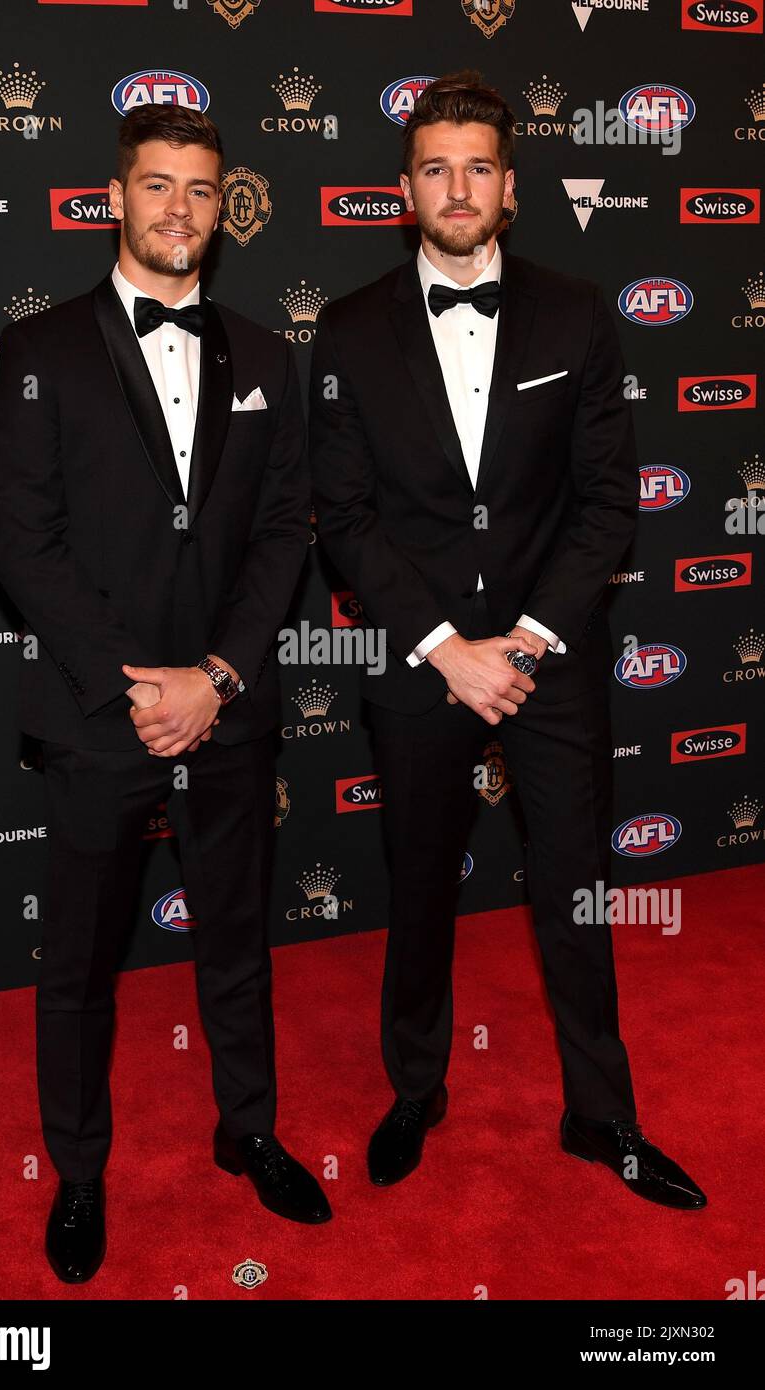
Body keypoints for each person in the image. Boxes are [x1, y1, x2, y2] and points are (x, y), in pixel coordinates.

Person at [308, 71, 706, 1211]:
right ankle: (415, 1088)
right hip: (418, 661)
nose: (457, 188)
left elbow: (608, 503)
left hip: (549, 660)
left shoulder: (575, 312)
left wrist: (523, 643)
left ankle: (602, 1116)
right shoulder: (347, 329)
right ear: (404, 191)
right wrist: (447, 647)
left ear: (510, 187)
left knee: (577, 892)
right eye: (435, 168)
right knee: (419, 885)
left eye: (477, 167)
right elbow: (345, 517)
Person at [0, 103, 329, 1285]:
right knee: (80, 964)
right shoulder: (40, 350)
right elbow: (23, 542)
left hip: (227, 707)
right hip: (99, 712)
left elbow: (283, 532)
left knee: (236, 938)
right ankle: (79, 1170)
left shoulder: (265, 355)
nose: (179, 208)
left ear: (222, 207)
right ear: (115, 197)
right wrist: (138, 685)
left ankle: (249, 1130)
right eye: (157, 185)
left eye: (200, 189)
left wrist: (215, 677)